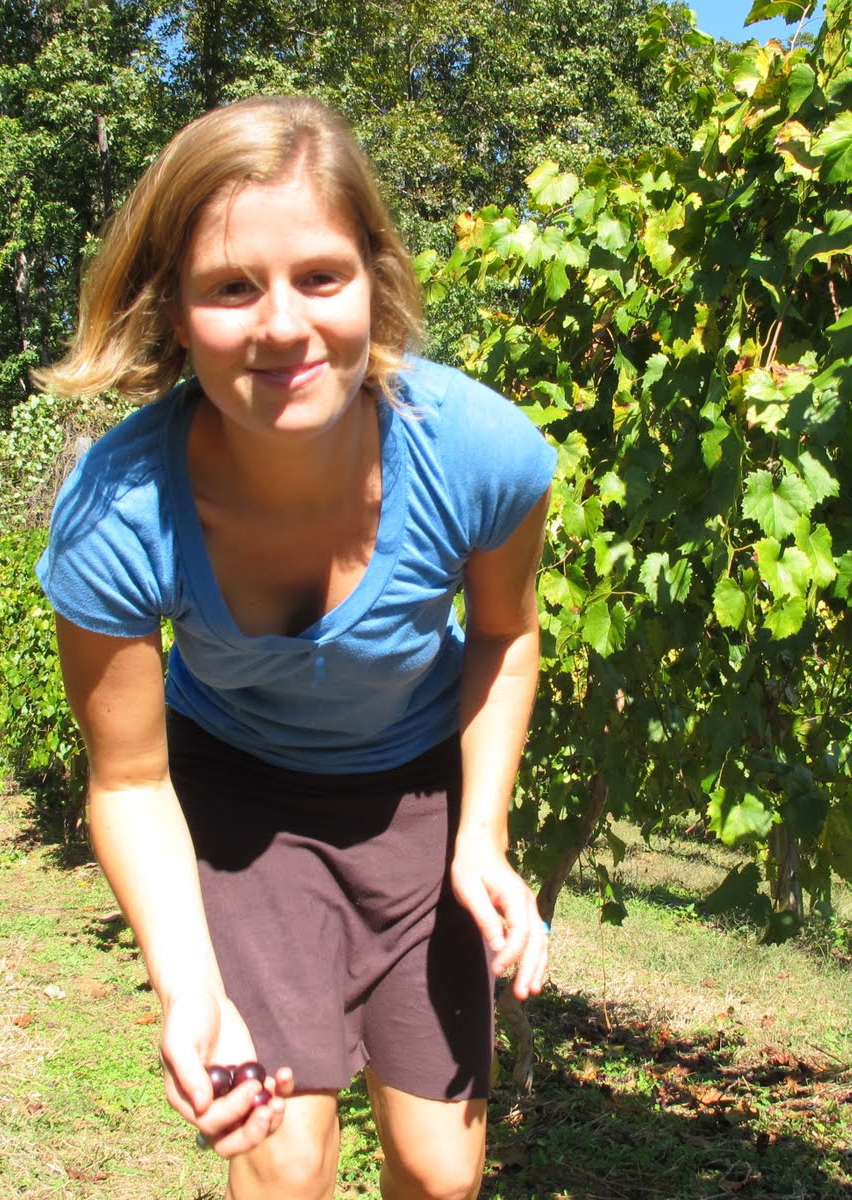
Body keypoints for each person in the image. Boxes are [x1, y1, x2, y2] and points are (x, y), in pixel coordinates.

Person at [32, 94, 556, 1200]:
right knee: (283, 1165)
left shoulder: (479, 453)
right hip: (239, 809)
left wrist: (482, 836)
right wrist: (187, 988)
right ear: (172, 308)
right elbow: (127, 780)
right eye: (230, 286)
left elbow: (504, 634)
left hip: (420, 802)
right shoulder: (119, 514)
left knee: (441, 1170)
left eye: (320, 275)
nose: (282, 325)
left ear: (374, 277)